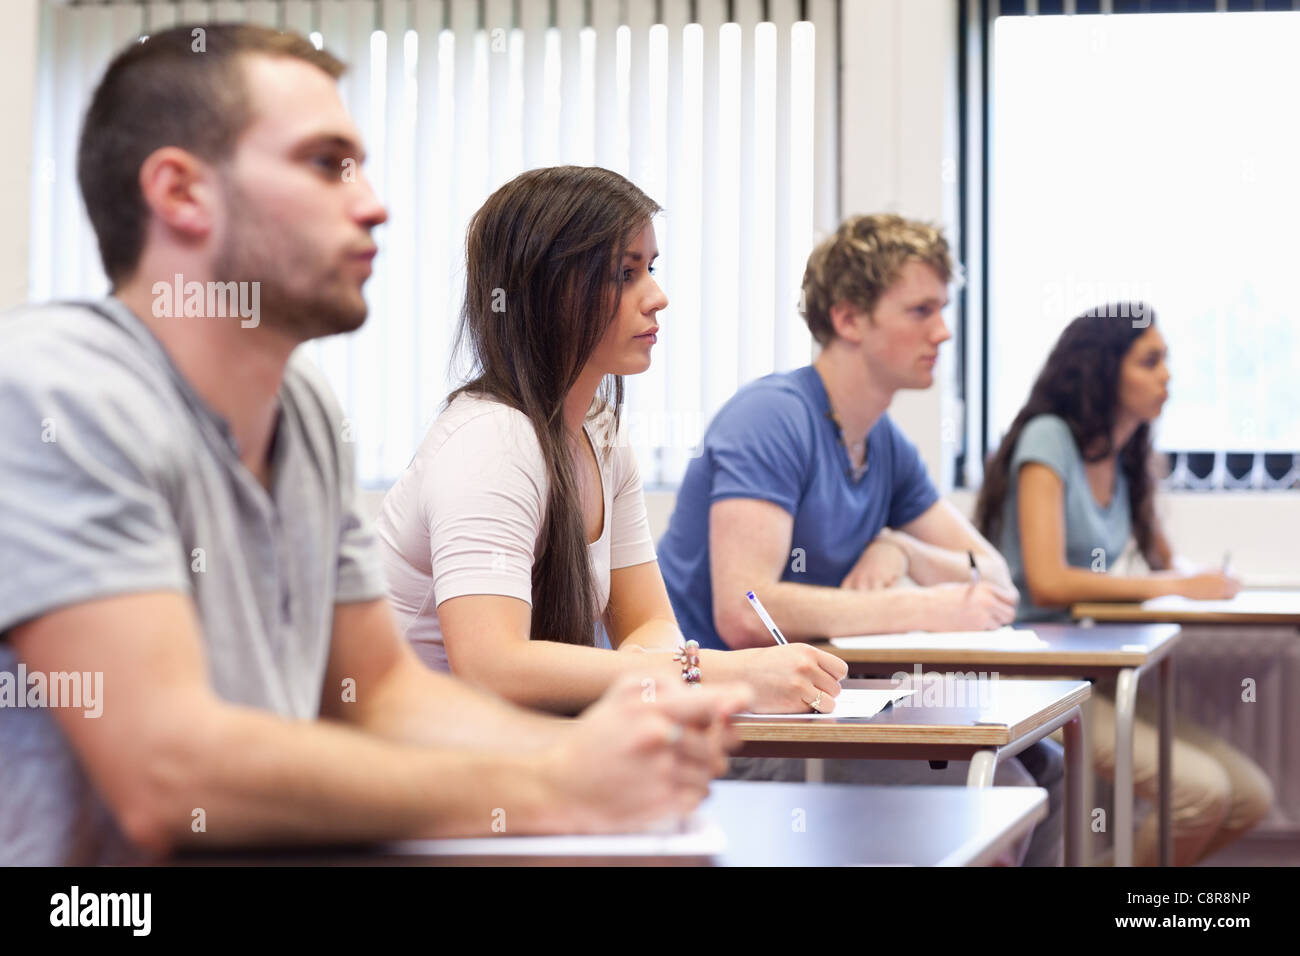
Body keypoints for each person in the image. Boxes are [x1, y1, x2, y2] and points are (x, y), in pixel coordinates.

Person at [0, 25, 747, 867]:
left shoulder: (301, 406)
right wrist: (551, 785)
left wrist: (601, 757)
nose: (374, 204)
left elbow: (385, 695)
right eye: (326, 165)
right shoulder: (49, 392)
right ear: (181, 193)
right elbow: (168, 770)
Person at [655, 213, 1065, 865]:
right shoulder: (772, 419)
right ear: (849, 320)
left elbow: (991, 576)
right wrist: (922, 604)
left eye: (944, 309)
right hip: (734, 730)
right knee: (1004, 793)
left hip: (816, 708)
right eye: (921, 310)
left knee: (1047, 768)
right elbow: (744, 610)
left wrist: (898, 546)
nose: (944, 330)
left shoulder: (882, 442)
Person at [377, 165, 848, 716]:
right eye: (625, 275)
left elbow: (652, 624)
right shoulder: (492, 440)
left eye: (649, 267)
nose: (658, 296)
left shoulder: (600, 431)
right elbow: (491, 668)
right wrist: (711, 672)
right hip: (411, 773)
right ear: (546, 293)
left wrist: (665, 672)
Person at [974, 306, 1273, 865]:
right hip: (1033, 677)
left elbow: (1166, 561)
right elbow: (1049, 580)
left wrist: (1203, 579)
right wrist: (1180, 583)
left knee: (1248, 797)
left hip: (1093, 670)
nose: (1168, 377)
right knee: (1200, 795)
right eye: (1150, 361)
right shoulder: (1048, 438)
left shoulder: (1128, 453)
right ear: (1104, 369)